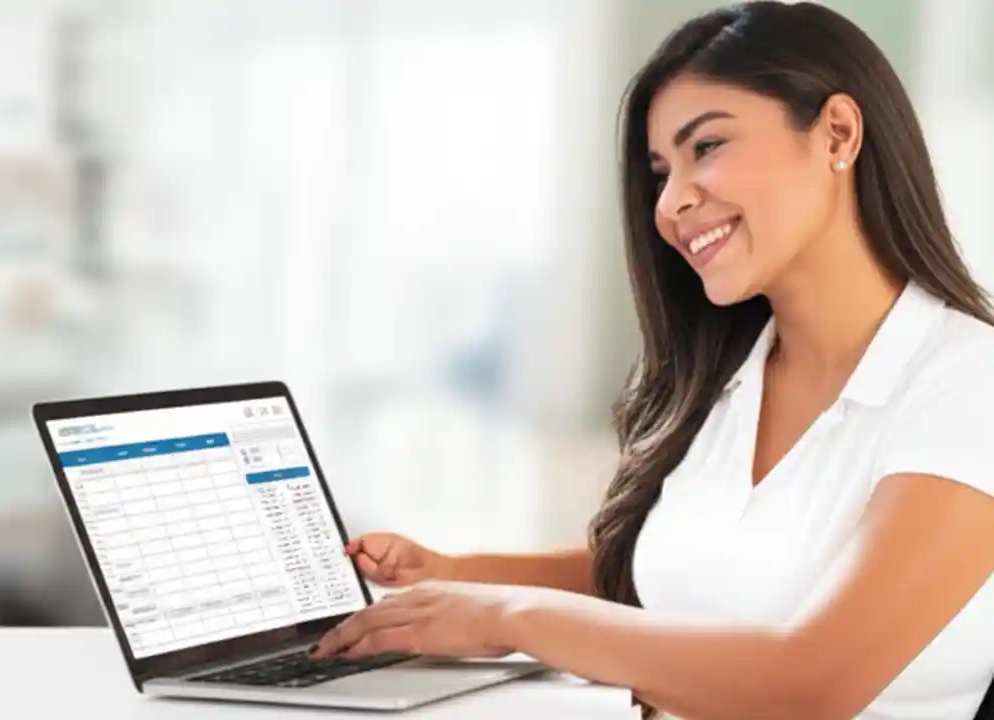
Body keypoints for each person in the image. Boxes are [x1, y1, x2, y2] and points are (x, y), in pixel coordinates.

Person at [307, 3, 994, 719]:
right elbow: (678, 574)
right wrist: (454, 576)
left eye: (708, 147)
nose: (670, 204)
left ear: (838, 134)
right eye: (660, 172)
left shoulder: (969, 382)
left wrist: (509, 616)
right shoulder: (727, 377)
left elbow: (808, 684)